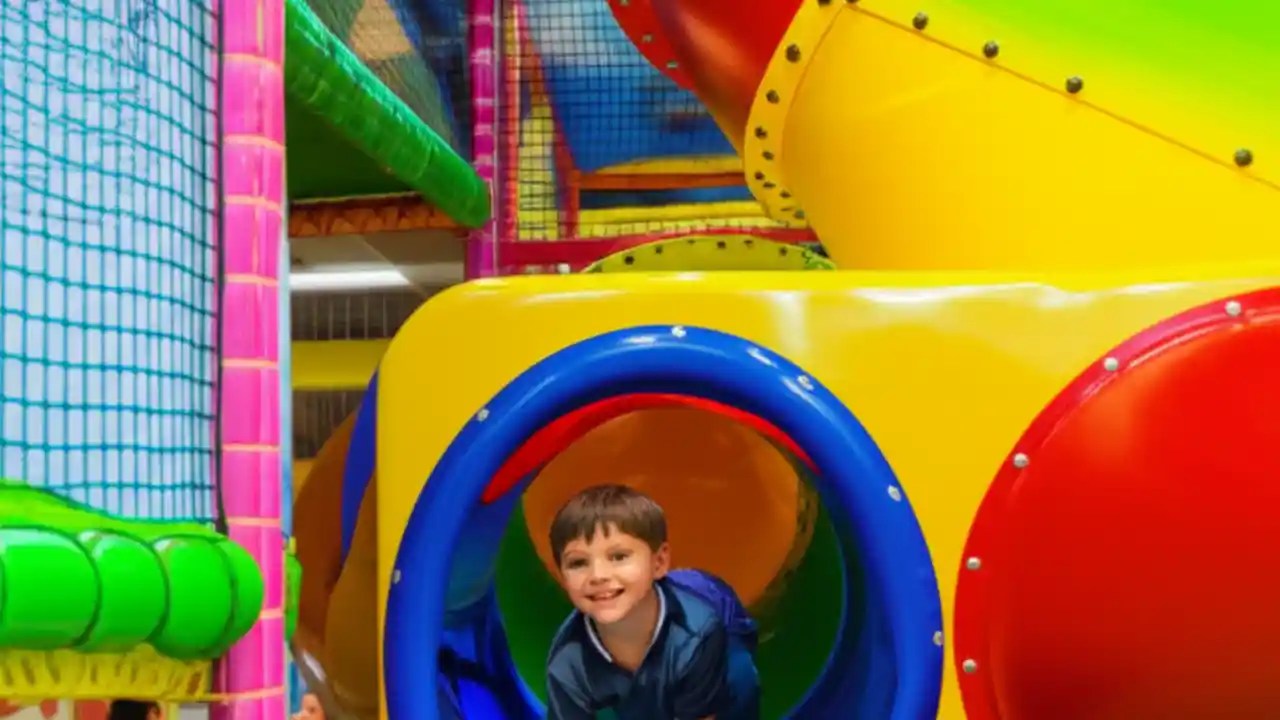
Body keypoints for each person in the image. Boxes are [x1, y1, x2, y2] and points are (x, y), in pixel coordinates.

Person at [545, 484, 760, 719]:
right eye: (578, 563)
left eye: (618, 557)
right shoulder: (567, 660)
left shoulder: (698, 632)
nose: (598, 575)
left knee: (739, 679)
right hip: (651, 604)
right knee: (641, 704)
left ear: (658, 563)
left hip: (714, 603)